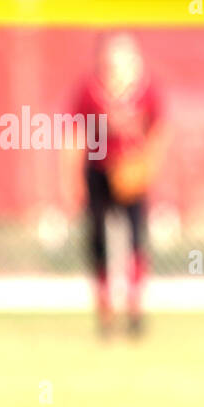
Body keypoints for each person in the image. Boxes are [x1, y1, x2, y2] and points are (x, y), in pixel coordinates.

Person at [66, 32, 168, 338]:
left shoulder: (145, 88)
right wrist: (71, 180)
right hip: (98, 171)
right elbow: (74, 133)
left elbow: (159, 128)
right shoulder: (90, 90)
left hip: (132, 173)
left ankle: (135, 308)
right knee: (98, 242)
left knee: (136, 239)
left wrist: (149, 165)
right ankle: (106, 309)